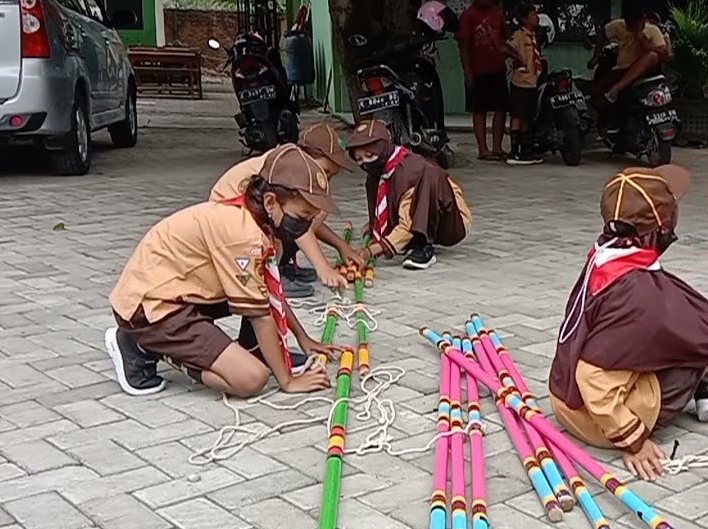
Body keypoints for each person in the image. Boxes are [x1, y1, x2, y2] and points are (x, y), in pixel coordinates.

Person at [548, 165, 708, 481]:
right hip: (593, 418)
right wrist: (633, 439)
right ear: (662, 226)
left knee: (678, 318)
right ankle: (704, 384)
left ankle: (706, 380)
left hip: (565, 399)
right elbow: (592, 377)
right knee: (688, 341)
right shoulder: (635, 295)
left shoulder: (609, 253)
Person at [106, 145, 340, 398]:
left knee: (254, 299)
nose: (305, 225)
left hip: (178, 292)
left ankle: (252, 350)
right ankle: (143, 345)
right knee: (251, 379)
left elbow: (270, 294)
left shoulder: (259, 218)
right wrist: (287, 381)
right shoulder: (245, 235)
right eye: (303, 215)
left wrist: (303, 338)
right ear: (271, 201)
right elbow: (261, 315)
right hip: (149, 308)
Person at [210, 122, 362, 294]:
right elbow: (298, 224)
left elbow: (307, 222)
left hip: (252, 217)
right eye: (325, 172)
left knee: (315, 211)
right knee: (289, 219)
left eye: (331, 176)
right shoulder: (284, 169)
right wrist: (323, 268)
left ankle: (280, 264)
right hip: (230, 223)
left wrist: (341, 246)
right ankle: (269, 271)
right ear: (306, 156)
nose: (326, 180)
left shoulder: (295, 166)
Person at [345, 120, 472, 271]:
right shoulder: (376, 173)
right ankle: (410, 239)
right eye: (359, 159)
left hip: (452, 219)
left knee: (428, 177)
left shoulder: (410, 172)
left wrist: (371, 251)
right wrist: (375, 226)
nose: (365, 163)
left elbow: (407, 224)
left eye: (370, 155)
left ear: (383, 149)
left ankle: (423, 244)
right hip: (411, 216)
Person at [458, 0, 511, 161]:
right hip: (478, 70)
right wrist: (467, 72)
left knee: (501, 108)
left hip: (498, 68)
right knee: (479, 110)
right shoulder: (468, 15)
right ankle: (483, 148)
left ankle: (497, 147)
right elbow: (463, 46)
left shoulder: (497, 12)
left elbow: (505, 37)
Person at [595, 0, 670, 105]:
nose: (632, 28)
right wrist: (595, 56)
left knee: (652, 56)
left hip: (642, 70)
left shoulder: (653, 30)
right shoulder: (619, 25)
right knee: (597, 93)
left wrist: (646, 45)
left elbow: (664, 54)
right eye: (629, 24)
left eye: (635, 24)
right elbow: (603, 32)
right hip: (621, 69)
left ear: (643, 19)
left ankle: (617, 88)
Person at [506, 2, 544, 166]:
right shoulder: (519, 35)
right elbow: (506, 47)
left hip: (532, 82)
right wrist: (518, 59)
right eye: (533, 15)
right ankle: (514, 151)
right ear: (524, 19)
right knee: (518, 115)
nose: (536, 18)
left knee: (527, 116)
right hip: (521, 82)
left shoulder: (534, 36)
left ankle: (525, 150)